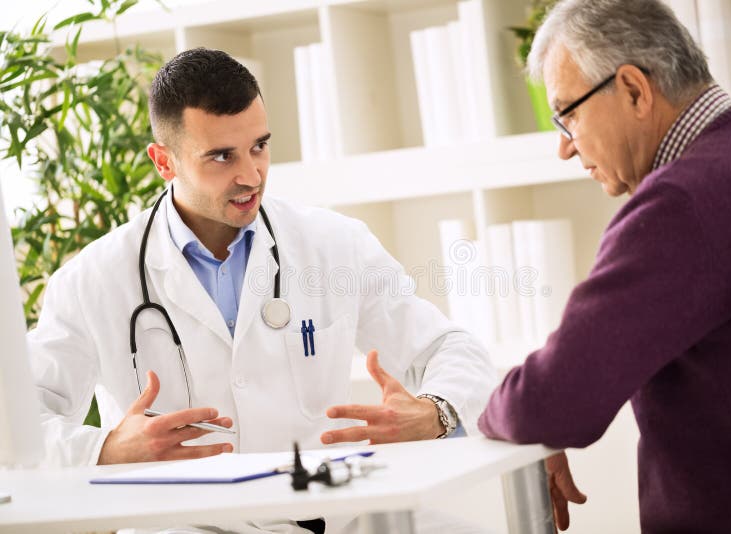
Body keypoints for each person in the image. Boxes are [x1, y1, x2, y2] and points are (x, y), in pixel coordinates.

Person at [29, 47, 496, 533]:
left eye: (259, 146)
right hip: (184, 525)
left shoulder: (333, 244)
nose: (251, 176)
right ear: (164, 162)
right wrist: (105, 449)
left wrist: (436, 412)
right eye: (221, 156)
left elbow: (452, 348)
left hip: (333, 520)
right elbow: (17, 424)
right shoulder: (94, 278)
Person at [478, 0, 731, 533]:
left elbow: (554, 402)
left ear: (633, 90)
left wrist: (488, 413)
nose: (564, 147)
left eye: (568, 114)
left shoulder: (684, 201)